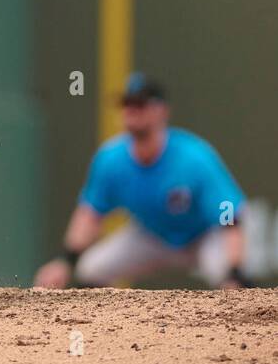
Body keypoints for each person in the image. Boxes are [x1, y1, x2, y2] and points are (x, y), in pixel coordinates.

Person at [33, 75, 249, 290]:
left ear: (161, 110)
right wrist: (66, 260)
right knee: (90, 269)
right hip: (151, 235)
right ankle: (102, 324)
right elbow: (90, 213)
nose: (131, 110)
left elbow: (229, 212)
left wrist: (234, 270)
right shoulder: (111, 159)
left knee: (229, 283)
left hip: (201, 237)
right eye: (127, 104)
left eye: (140, 104)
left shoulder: (193, 156)